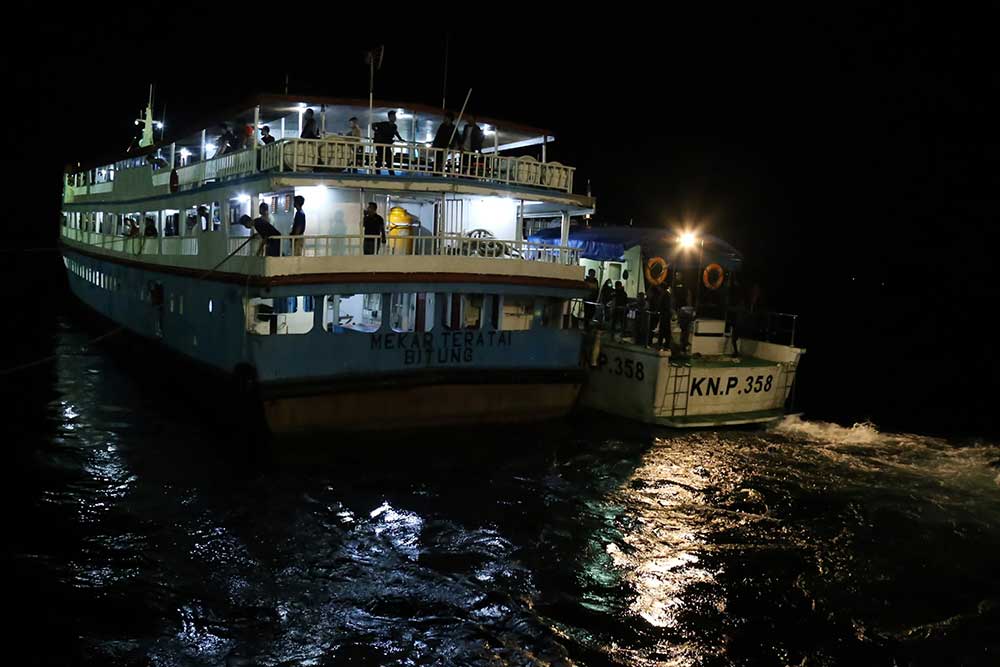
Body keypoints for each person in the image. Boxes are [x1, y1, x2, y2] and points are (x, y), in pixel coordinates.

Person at [656, 285, 673, 350]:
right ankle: (666, 343)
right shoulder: (666, 295)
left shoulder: (665, 295)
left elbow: (665, 305)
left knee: (663, 329)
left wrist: (659, 310)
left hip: (664, 314)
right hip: (665, 314)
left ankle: (662, 343)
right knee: (665, 330)